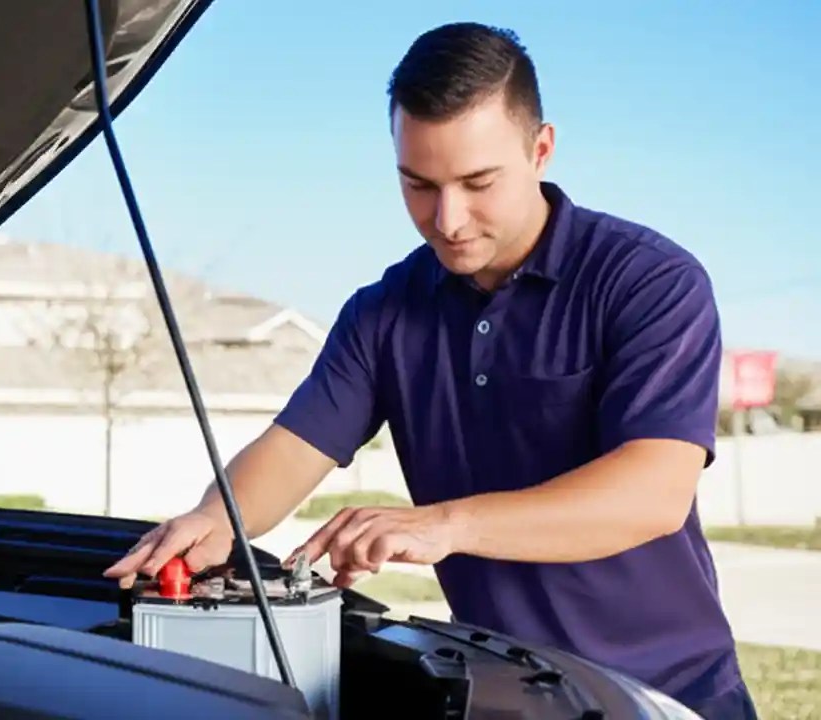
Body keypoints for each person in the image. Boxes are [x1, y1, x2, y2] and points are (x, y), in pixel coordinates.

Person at [104, 21, 756, 719]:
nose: (447, 219)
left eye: (478, 183)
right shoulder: (384, 312)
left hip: (667, 696)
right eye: (418, 184)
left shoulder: (649, 282)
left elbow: (651, 494)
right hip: (507, 694)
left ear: (542, 149)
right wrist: (216, 518)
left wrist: (443, 525)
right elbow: (292, 449)